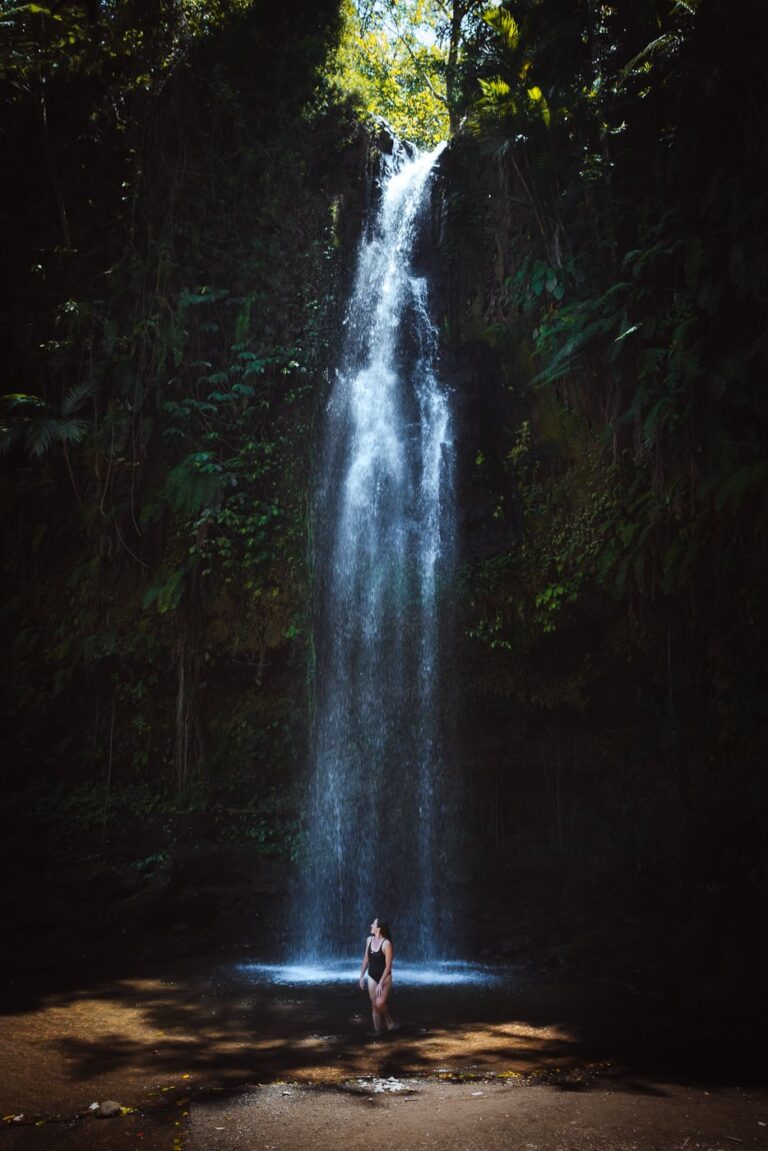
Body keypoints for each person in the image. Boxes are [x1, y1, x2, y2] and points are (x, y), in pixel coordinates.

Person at [358, 916, 397, 1036]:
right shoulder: (369, 940)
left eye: (373, 924)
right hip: (371, 976)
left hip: (384, 978)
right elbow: (366, 959)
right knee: (374, 1005)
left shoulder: (386, 944)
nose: (371, 926)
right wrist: (361, 976)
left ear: (379, 928)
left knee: (380, 1003)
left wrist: (380, 983)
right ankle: (377, 1032)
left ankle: (388, 1019)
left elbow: (388, 966)